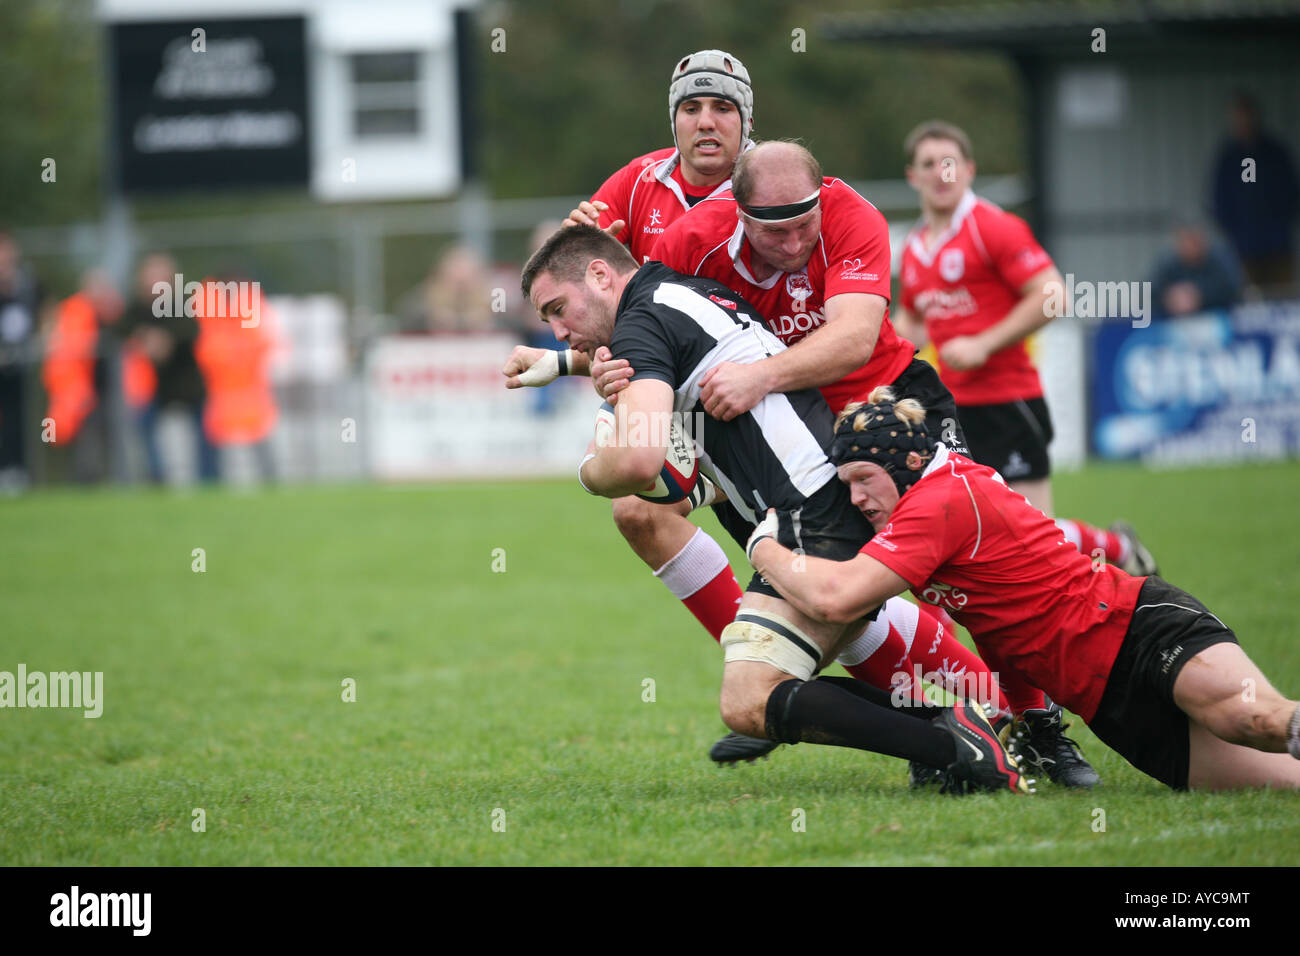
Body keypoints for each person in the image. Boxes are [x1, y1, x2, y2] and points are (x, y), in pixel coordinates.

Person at [521, 224, 1030, 796]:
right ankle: (979, 723)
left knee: (750, 699)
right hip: (824, 498)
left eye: (558, 310)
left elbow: (640, 462)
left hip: (809, 513)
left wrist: (590, 469)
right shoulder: (685, 295)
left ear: (599, 274)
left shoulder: (642, 323)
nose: (561, 330)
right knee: (824, 653)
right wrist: (573, 365)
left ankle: (957, 742)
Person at [746, 387, 1300, 791]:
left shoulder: (938, 503)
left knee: (1255, 719)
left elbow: (837, 598)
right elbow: (998, 630)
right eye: (847, 485)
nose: (859, 498)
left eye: (864, 479)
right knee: (1281, 783)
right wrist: (1029, 712)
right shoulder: (936, 495)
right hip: (1105, 703)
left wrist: (763, 546)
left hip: (1135, 632)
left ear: (911, 462)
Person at [894, 120, 1158, 586]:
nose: (941, 173)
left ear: (970, 170)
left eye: (950, 163)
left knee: (1034, 539)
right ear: (912, 176)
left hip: (1007, 402)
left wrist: (984, 343)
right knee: (963, 533)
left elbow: (1053, 296)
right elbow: (912, 321)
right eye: (929, 164)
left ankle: (1117, 550)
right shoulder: (915, 247)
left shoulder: (992, 227)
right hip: (949, 411)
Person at [119, 253, 217, 484]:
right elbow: (120, 329)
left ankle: (210, 480)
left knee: (207, 432)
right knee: (144, 425)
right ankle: (157, 479)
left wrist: (166, 340)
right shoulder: (137, 308)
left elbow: (191, 331)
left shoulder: (181, 302)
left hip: (188, 383)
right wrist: (145, 338)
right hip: (155, 388)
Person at [1210, 92, 1298, 295]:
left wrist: (1280, 222)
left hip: (1278, 242)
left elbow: (1291, 192)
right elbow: (1220, 198)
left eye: (1246, 115)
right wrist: (1235, 230)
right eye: (1238, 117)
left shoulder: (1275, 152)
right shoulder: (1229, 156)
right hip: (1243, 246)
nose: (1243, 122)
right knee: (1247, 299)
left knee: (1283, 295)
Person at [1150, 218, 1244, 318]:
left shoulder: (1220, 258)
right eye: (1186, 240)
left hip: (1218, 318)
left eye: (1194, 241)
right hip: (1174, 321)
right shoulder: (1168, 262)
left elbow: (1234, 288)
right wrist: (1170, 298)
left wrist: (1198, 295)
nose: (1190, 246)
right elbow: (1150, 291)